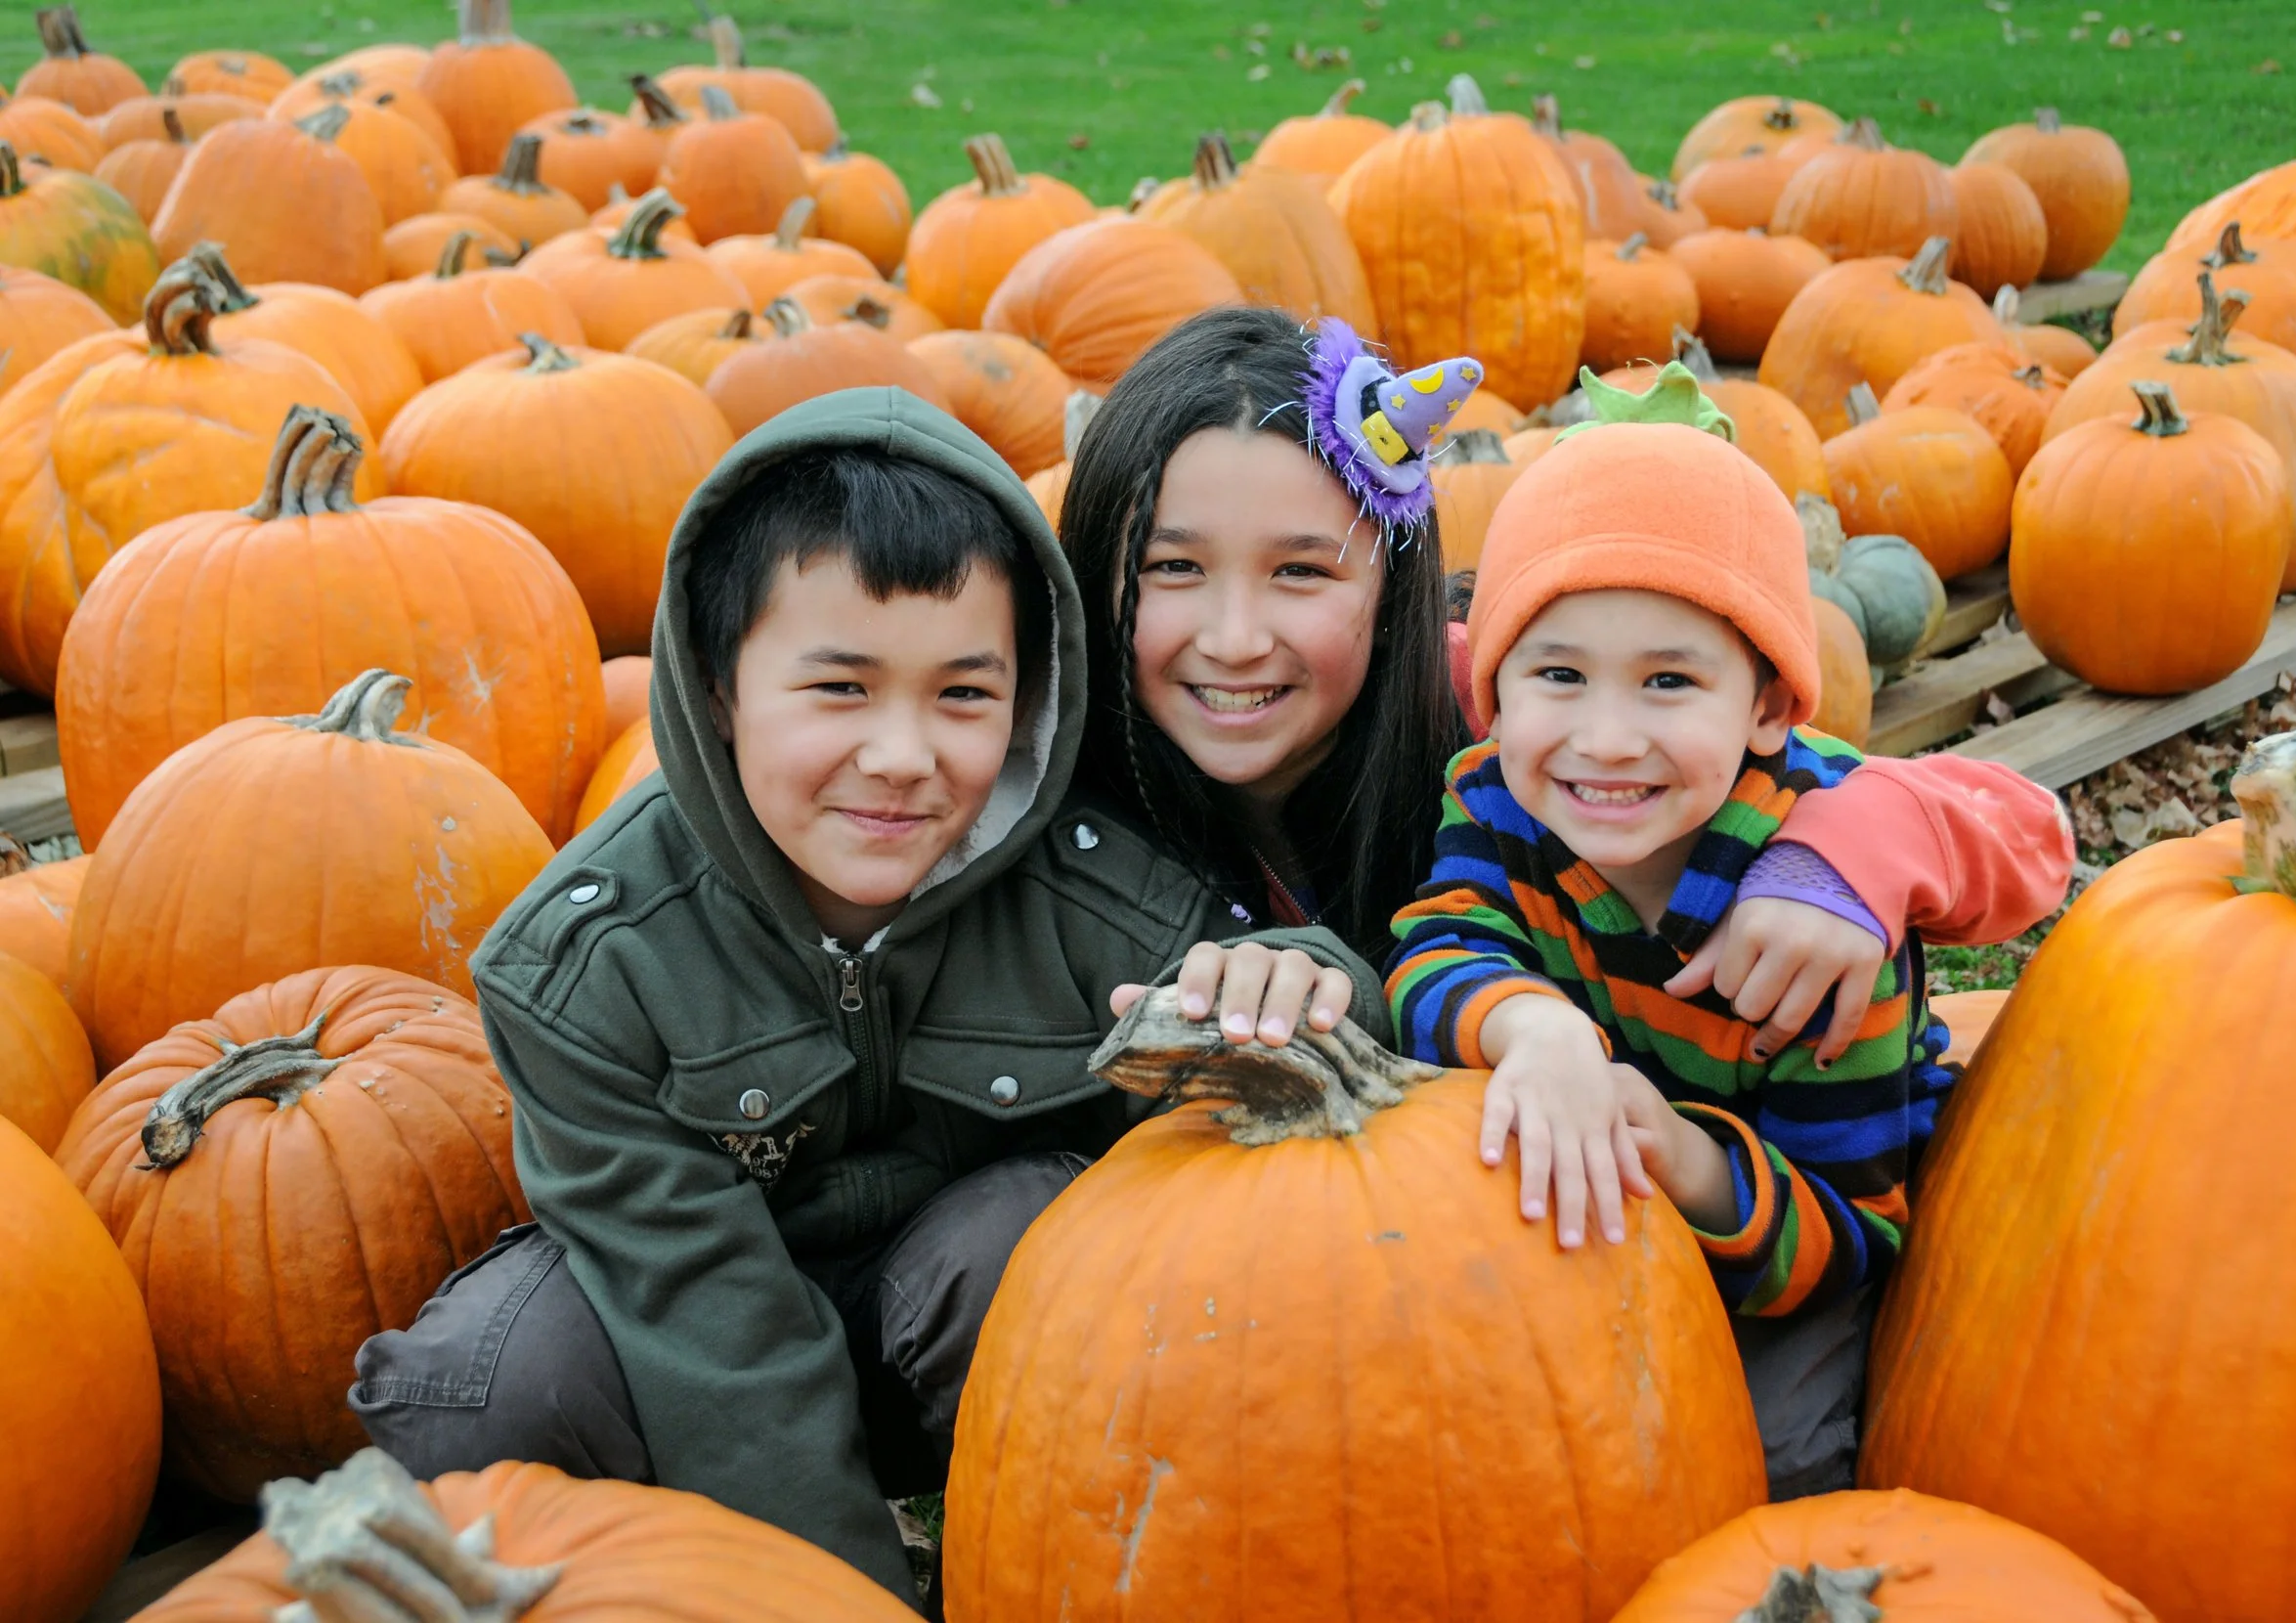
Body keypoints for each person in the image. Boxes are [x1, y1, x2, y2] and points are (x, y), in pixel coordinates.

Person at [348, 389, 1379, 1608]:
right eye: (839, 689)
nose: (901, 756)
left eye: (961, 695)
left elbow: (1306, 1030)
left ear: (1029, 700)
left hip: (966, 1346)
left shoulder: (1091, 899)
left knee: (1016, 1242)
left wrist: (1310, 981)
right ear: (718, 686)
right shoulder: (588, 965)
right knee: (485, 1382)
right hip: (693, 1348)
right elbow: (707, 1318)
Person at [1067, 308, 2072, 1250]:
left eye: (1301, 571)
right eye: (1172, 568)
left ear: (1391, 580)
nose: (1237, 639)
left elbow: (2018, 829)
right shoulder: (1055, 787)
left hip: (1663, 1213)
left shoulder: (1508, 715)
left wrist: (1850, 854)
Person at [1382, 368, 2074, 1497]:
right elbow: (1434, 950)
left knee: (1766, 1464)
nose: (1605, 739)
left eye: (1668, 681)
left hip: (1782, 1224)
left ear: (1763, 703)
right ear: (1491, 692)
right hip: (1599, 1186)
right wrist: (1535, 1033)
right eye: (1557, 674)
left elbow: (1848, 1236)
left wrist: (1679, 1156)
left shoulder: (1823, 927)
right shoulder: (1499, 801)